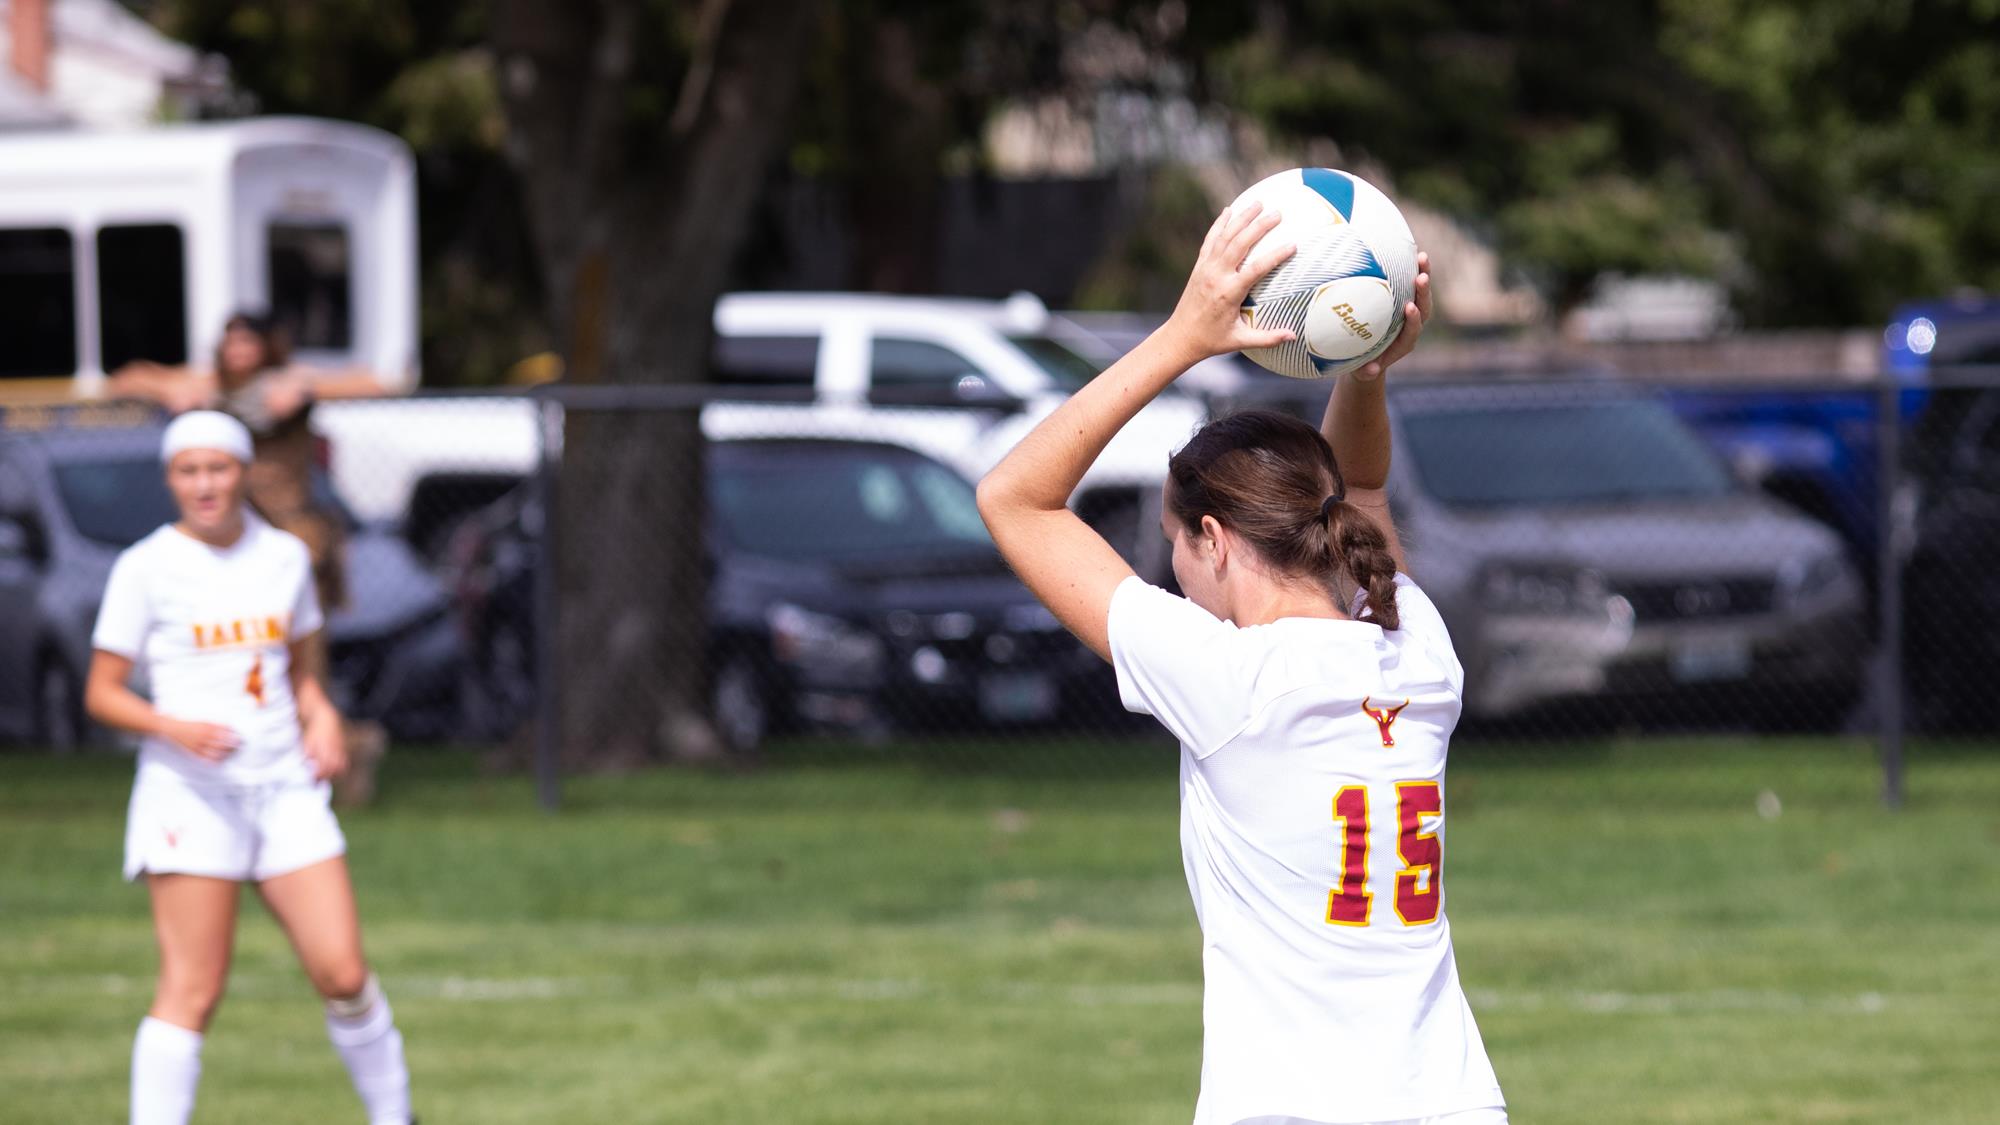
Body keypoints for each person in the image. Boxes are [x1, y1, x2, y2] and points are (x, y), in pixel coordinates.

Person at [976, 204, 1505, 1125]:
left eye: (1174, 540)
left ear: (1214, 540)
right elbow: (1363, 485)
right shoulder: (1418, 651)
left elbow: (1014, 497)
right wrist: (1365, 367)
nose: (1170, 568)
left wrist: (1184, 338)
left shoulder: (1230, 682)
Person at [85, 411, 414, 1125]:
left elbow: (302, 670)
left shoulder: (285, 557)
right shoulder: (146, 566)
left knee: (344, 972)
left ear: (244, 471)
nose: (205, 484)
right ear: (171, 479)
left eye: (218, 467)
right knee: (193, 989)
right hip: (191, 794)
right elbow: (101, 692)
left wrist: (320, 716)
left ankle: (396, 1116)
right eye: (189, 471)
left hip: (283, 788)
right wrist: (172, 726)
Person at [108, 312, 392, 804]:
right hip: (226, 550)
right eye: (232, 341)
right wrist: (170, 390)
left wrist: (303, 391)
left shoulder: (287, 382)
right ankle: (343, 747)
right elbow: (125, 378)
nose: (239, 350)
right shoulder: (212, 387)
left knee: (300, 665)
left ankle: (331, 757)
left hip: (291, 537)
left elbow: (375, 383)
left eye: (249, 341)